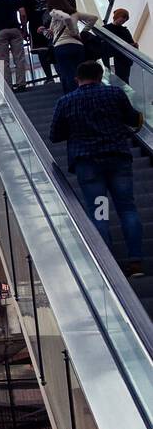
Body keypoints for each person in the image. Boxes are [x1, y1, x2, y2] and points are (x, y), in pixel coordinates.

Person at [49, 59, 145, 276]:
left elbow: (55, 135)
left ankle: (107, 266)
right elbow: (132, 119)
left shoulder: (66, 101)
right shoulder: (115, 94)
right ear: (100, 75)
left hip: (88, 165)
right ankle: (136, 261)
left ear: (77, 79)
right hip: (118, 159)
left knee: (99, 212)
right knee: (127, 208)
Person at [43, 0, 99, 94]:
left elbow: (52, 33)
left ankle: (73, 96)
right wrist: (83, 33)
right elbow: (94, 18)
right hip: (78, 46)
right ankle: (86, 93)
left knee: (67, 74)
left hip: (62, 46)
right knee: (80, 73)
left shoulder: (54, 12)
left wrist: (73, 32)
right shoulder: (75, 13)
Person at [22, 0, 54, 81]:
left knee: (42, 51)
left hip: (36, 25)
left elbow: (24, 13)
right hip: (53, 21)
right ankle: (62, 72)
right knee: (57, 46)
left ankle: (49, 77)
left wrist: (24, 29)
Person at [103, 7, 139, 85]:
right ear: (117, 16)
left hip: (122, 58)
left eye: (125, 20)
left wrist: (134, 45)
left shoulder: (124, 30)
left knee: (123, 79)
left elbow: (131, 43)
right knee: (120, 80)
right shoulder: (106, 29)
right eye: (122, 18)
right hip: (111, 55)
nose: (123, 21)